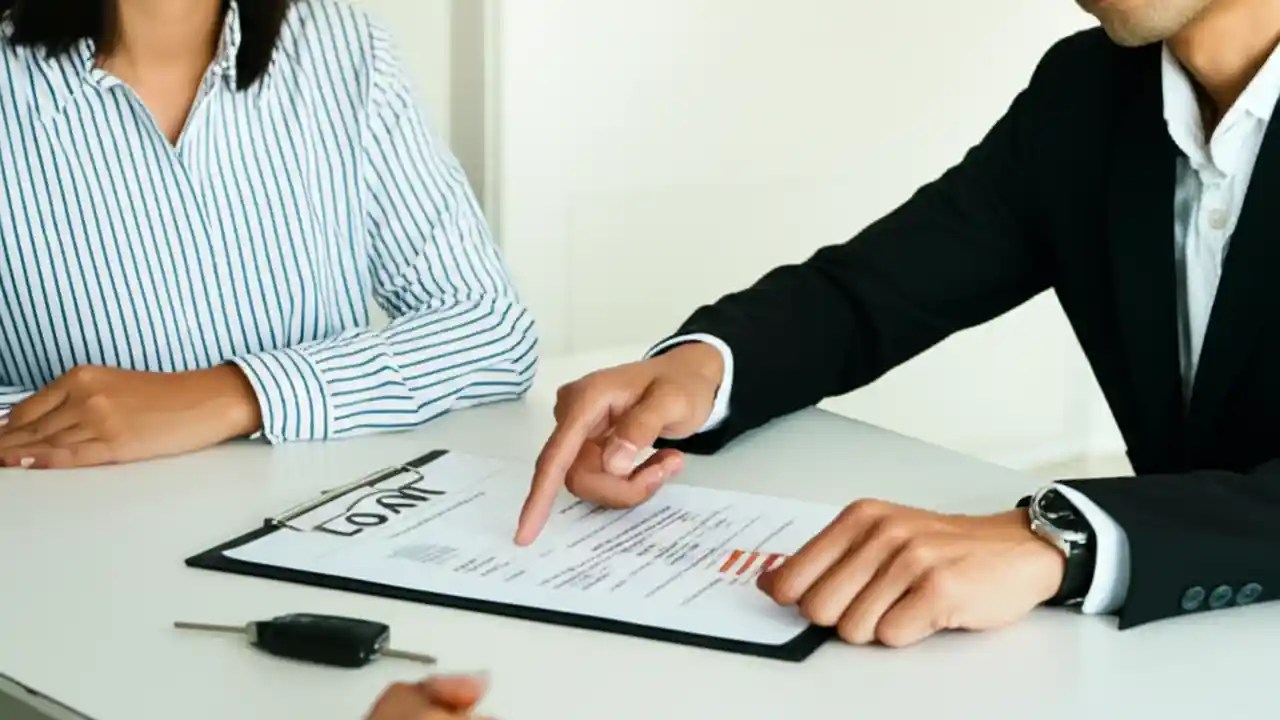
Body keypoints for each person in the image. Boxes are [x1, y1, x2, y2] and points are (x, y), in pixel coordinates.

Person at [516, 0, 1280, 648]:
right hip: (1178, 651)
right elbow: (876, 291)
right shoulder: (1088, 92)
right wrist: (702, 372)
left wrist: (1066, 539)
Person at [0, 0, 536, 470]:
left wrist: (237, 395)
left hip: (318, 534)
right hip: (78, 552)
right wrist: (75, 423)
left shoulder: (346, 51)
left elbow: (491, 330)